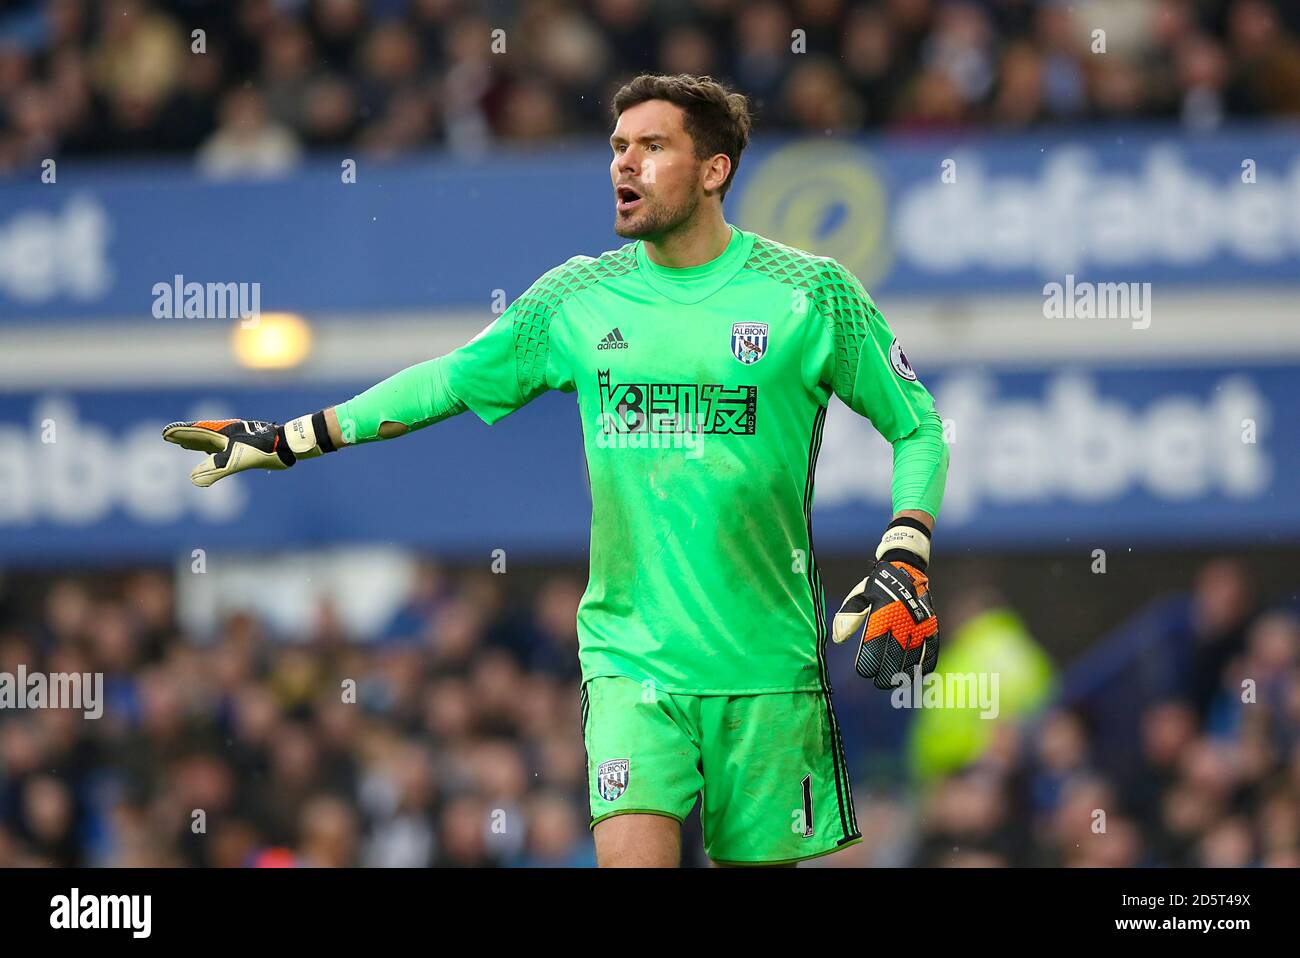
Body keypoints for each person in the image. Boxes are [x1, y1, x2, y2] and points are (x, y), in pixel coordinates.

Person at [162, 73, 949, 867]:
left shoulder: (809, 293)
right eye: (617, 147)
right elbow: (449, 380)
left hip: (770, 668)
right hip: (630, 663)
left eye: (652, 147)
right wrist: (289, 437)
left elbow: (917, 426)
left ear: (714, 171)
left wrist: (906, 551)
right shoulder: (578, 297)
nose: (624, 165)